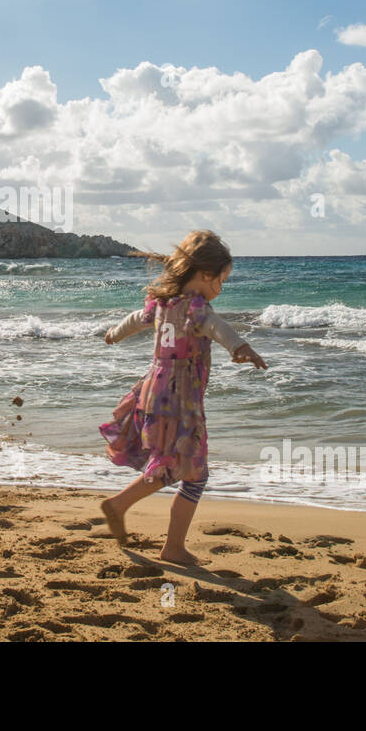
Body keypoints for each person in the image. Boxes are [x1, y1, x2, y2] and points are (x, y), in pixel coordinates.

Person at [99, 230, 267, 565]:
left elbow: (135, 320)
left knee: (178, 466)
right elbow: (217, 327)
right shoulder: (196, 308)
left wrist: (114, 334)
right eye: (222, 280)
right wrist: (240, 347)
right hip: (181, 402)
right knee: (192, 472)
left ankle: (123, 508)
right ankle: (166, 542)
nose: (222, 287)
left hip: (154, 394)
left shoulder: (162, 304)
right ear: (206, 275)